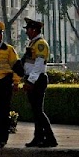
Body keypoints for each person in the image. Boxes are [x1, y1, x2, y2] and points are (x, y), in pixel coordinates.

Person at [21, 18, 58, 148]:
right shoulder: (33, 43)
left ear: (34, 30)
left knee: (38, 111)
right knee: (36, 111)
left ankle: (50, 138)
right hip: (33, 79)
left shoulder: (41, 44)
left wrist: (30, 81)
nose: (27, 32)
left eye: (28, 29)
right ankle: (38, 137)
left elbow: (38, 65)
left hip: (37, 80)